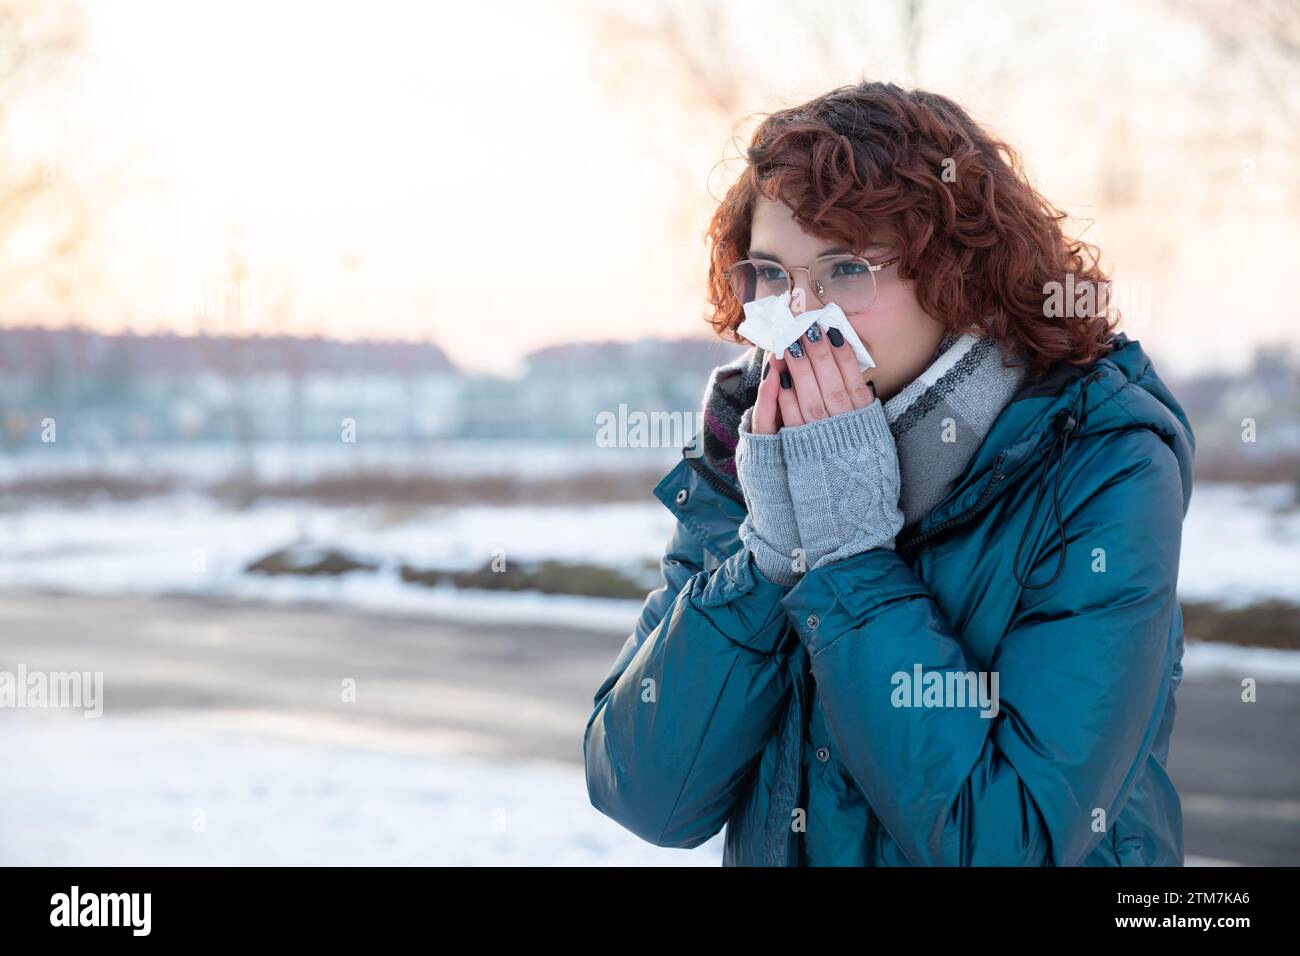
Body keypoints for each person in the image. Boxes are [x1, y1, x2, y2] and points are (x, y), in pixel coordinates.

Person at [583, 81, 1194, 866]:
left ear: (958, 276)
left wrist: (849, 561)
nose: (801, 312)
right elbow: (646, 793)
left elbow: (1008, 844)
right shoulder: (750, 452)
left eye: (844, 270)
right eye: (770, 272)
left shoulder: (1096, 462)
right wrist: (769, 559)